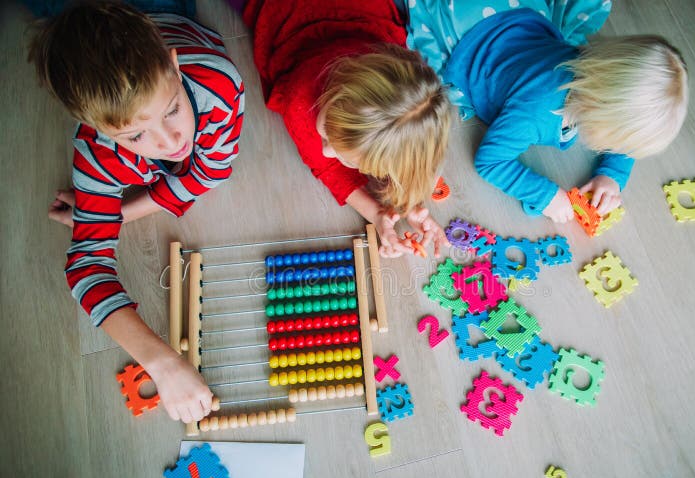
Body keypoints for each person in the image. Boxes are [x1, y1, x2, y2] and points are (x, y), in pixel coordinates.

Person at [29, 0, 245, 423]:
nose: (171, 141)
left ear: (175, 65)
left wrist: (120, 214)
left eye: (172, 110)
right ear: (100, 131)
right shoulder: (97, 152)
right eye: (136, 135)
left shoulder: (218, 84)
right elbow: (86, 266)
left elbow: (209, 172)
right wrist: (161, 362)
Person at [406, 1, 689, 222]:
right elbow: (490, 161)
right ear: (598, 111)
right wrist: (547, 197)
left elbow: (623, 124)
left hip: (513, 18)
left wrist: (612, 174)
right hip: (468, 36)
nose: (620, 150)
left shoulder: (592, 74)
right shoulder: (534, 114)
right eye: (618, 144)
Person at [240, 0, 452, 257]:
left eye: (343, 155)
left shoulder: (401, 81)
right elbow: (326, 168)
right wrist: (376, 211)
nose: (327, 153)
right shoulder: (301, 100)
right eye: (328, 137)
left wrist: (407, 204)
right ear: (331, 96)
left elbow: (408, 148)